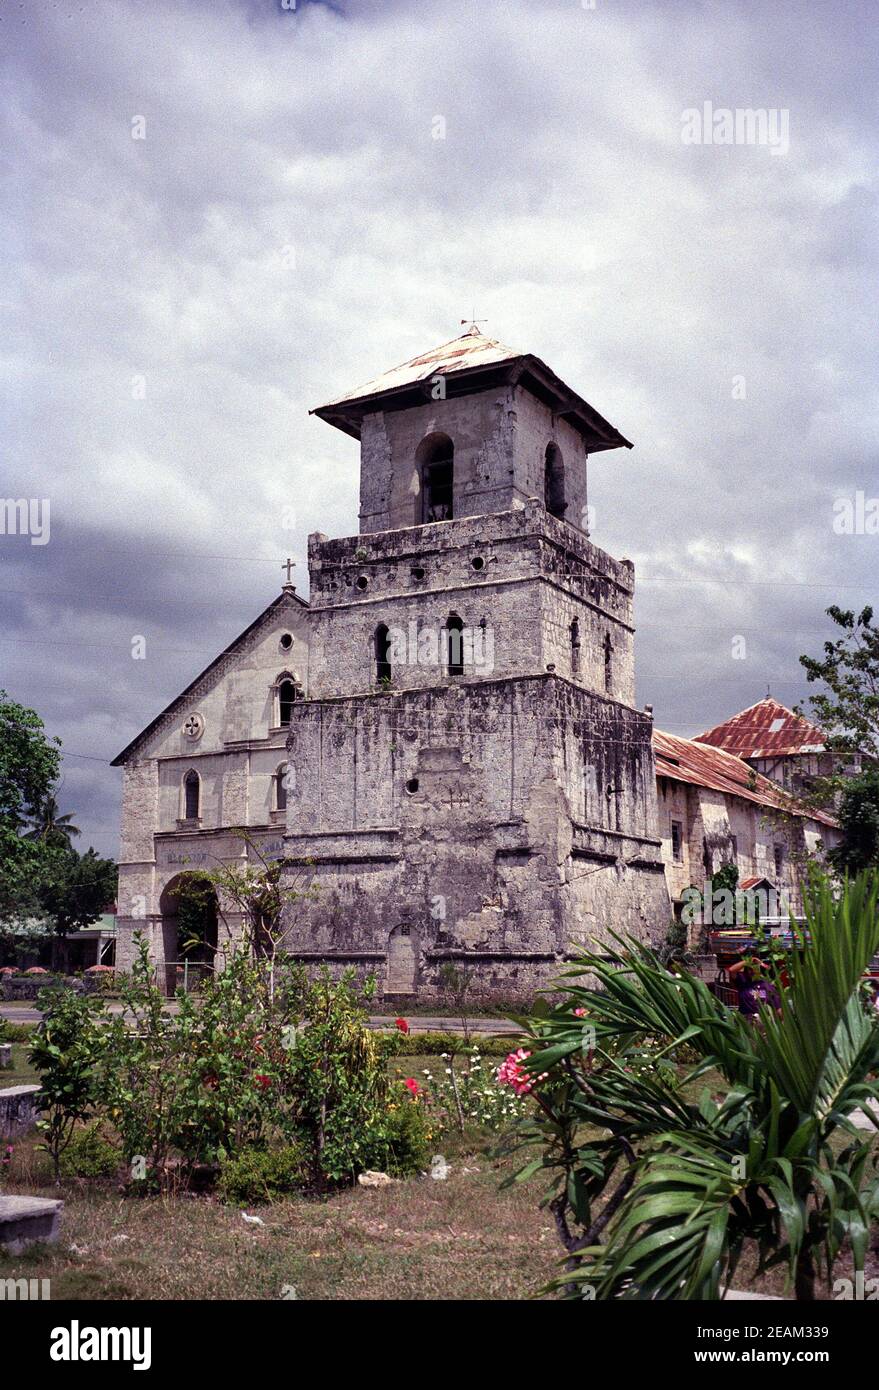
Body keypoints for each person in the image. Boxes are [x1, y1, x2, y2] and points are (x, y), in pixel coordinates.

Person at [728, 953, 782, 1022]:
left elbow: (777, 1007)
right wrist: (750, 960)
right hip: (747, 1020)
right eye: (749, 969)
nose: (752, 971)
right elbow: (731, 970)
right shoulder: (742, 982)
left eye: (755, 968)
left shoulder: (767, 986)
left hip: (765, 1022)